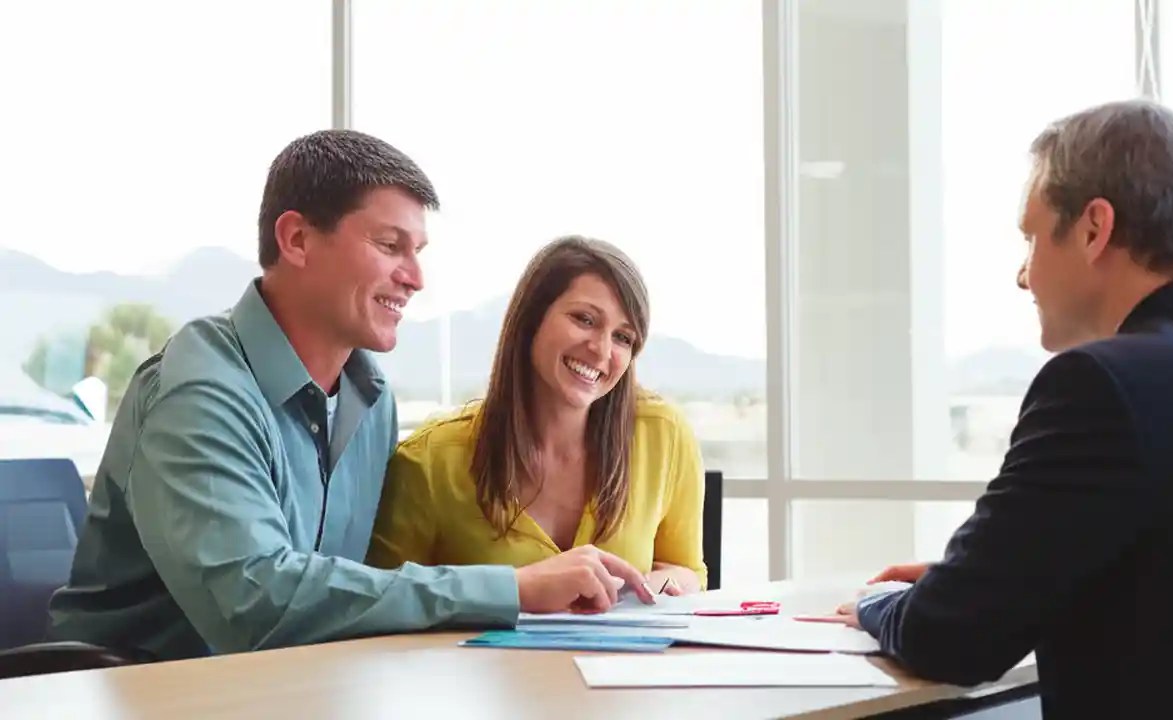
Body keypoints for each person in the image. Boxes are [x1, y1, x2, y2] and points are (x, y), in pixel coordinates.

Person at [47, 131, 653, 662]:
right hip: (147, 693)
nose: (414, 277)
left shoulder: (369, 400)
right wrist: (512, 589)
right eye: (390, 246)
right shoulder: (199, 391)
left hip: (297, 691)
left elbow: (353, 591)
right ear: (297, 239)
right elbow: (256, 605)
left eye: (417, 253)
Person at [846, 99, 1173, 718]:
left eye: (1031, 237)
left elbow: (949, 638)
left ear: (1094, 229)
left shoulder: (1101, 384)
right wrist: (971, 582)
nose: (1023, 276)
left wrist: (877, 604)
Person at [367, 236, 707, 595]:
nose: (602, 350)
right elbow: (385, 600)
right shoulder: (429, 461)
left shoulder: (664, 435)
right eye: (585, 319)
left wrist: (640, 591)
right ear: (532, 319)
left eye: (623, 337)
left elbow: (687, 571)